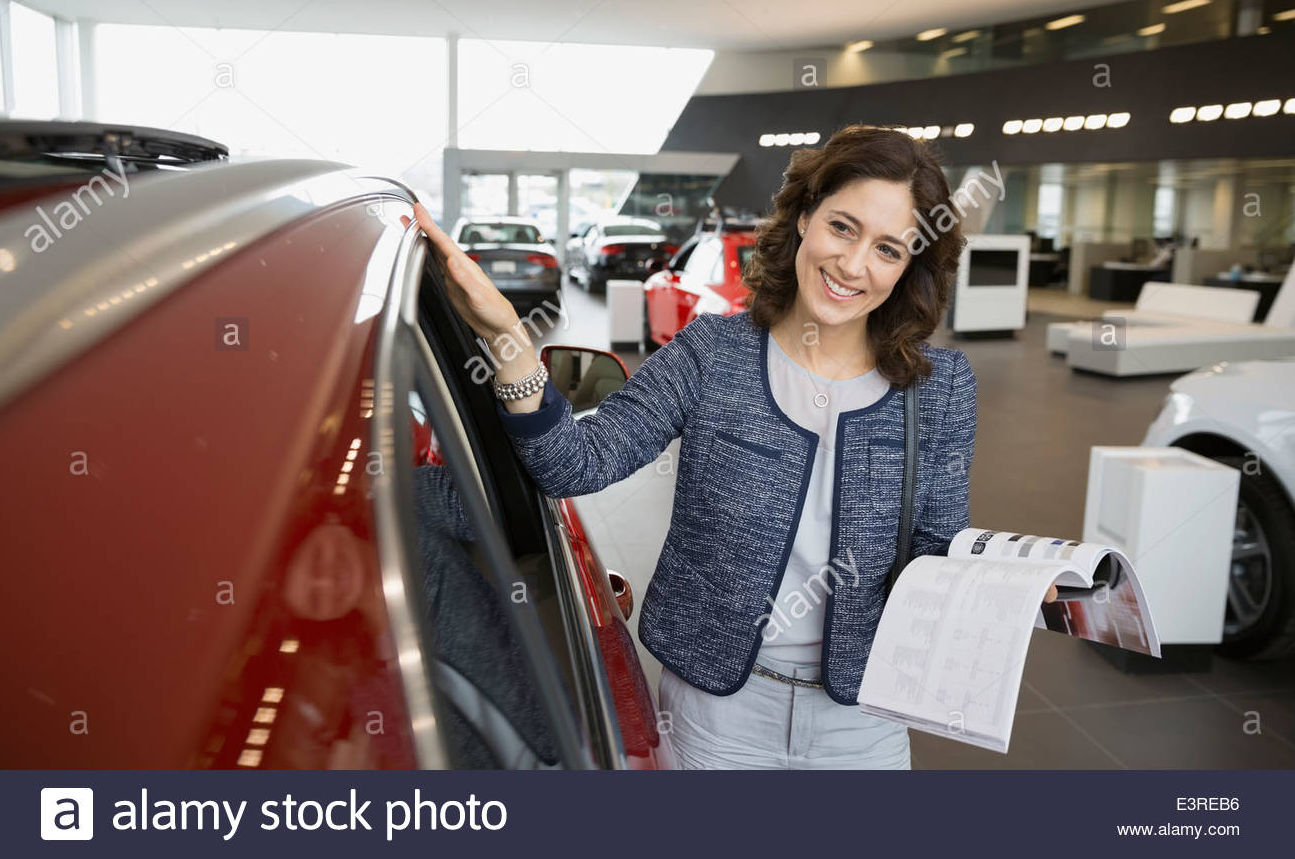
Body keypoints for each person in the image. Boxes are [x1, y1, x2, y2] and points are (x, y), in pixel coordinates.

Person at [406, 124, 1056, 769]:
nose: (855, 265)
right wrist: (505, 335)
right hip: (718, 717)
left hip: (865, 721)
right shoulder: (712, 354)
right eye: (843, 227)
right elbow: (577, 463)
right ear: (805, 217)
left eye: (889, 249)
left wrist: (1013, 587)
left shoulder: (939, 389)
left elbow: (938, 543)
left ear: (911, 264)